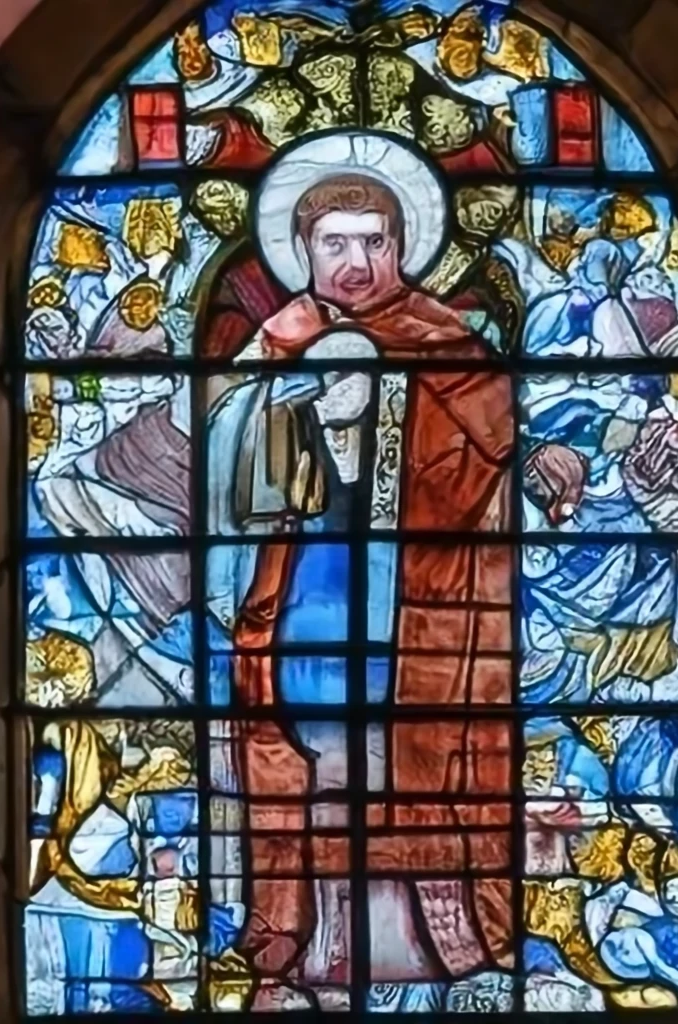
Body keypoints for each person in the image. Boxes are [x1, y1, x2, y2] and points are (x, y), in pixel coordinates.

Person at [220, 133, 515, 1009]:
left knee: (404, 756)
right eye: (334, 243)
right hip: (304, 594)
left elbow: (494, 460)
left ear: (402, 245)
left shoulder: (449, 343)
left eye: (374, 241)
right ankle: (312, 946)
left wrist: (397, 404)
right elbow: (228, 472)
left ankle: (430, 950)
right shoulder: (277, 343)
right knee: (320, 763)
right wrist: (287, 413)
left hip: (418, 599)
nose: (355, 262)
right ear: (302, 251)